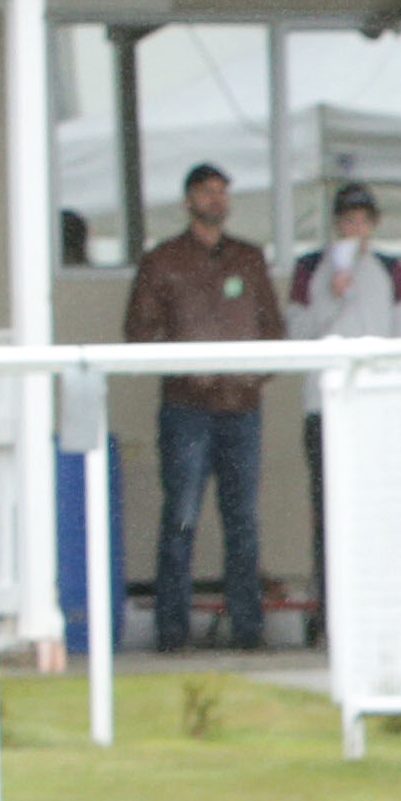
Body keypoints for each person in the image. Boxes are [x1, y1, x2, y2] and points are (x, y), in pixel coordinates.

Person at [124, 160, 288, 652]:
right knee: (181, 516)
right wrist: (187, 368)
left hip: (242, 406)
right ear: (189, 199)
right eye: (207, 192)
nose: (217, 200)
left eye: (223, 191)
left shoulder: (248, 259)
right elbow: (138, 332)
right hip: (186, 407)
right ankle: (172, 631)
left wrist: (248, 375)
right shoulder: (163, 261)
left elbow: (274, 331)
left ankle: (248, 627)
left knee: (242, 520)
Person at [284, 181, 401, 647]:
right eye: (346, 219)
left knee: (376, 508)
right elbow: (297, 336)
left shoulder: (391, 269)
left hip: (374, 406)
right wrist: (333, 297)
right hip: (323, 404)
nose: (354, 227)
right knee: (327, 510)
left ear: (373, 225)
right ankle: (329, 611)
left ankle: (376, 606)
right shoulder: (308, 269)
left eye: (362, 220)